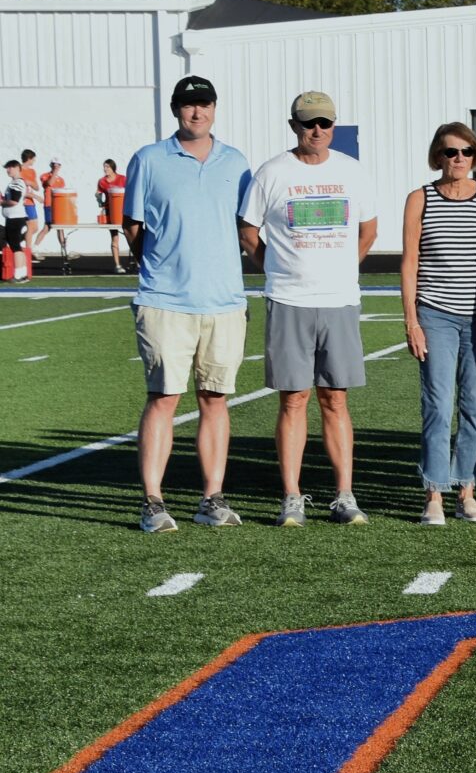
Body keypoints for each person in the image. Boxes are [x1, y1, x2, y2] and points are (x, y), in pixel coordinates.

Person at [239, 92, 377, 526]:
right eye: (308, 123)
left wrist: (339, 271)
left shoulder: (352, 172)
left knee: (335, 399)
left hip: (338, 301)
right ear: (293, 125)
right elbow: (248, 231)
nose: (316, 130)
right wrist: (280, 270)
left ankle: (344, 495)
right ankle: (292, 497)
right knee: (293, 399)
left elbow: (368, 232)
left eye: (324, 123)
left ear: (333, 126)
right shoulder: (272, 173)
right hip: (289, 300)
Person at [122, 76, 253, 532]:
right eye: (187, 105)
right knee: (163, 398)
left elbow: (245, 226)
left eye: (203, 105)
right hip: (165, 301)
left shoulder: (236, 163)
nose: (196, 113)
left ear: (214, 108)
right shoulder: (149, 159)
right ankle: (153, 502)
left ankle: (212, 499)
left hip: (224, 302)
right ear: (175, 110)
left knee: (215, 399)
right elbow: (133, 227)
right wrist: (163, 268)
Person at [401, 122, 476, 525]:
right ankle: (434, 495)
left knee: (475, 408)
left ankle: (467, 491)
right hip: (435, 315)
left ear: (475, 155)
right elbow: (409, 263)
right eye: (449, 152)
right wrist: (411, 320)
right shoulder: (419, 198)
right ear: (437, 156)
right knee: (438, 406)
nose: (457, 159)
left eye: (465, 152)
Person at [98, 158, 129, 272]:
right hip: (110, 212)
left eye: (107, 167)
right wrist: (99, 198)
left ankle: (137, 263)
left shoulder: (122, 179)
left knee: (130, 236)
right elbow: (100, 196)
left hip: (124, 211)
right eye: (104, 167)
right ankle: (117, 265)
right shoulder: (102, 181)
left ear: (113, 168)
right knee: (114, 238)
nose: (105, 169)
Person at [1, 160, 27, 282]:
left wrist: (1, 202)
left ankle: (18, 275)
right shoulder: (16, 182)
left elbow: (14, 201)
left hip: (15, 219)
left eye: (10, 167)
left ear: (17, 167)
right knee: (18, 246)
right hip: (17, 218)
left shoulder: (16, 183)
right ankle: (23, 273)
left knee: (15, 246)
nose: (7, 170)